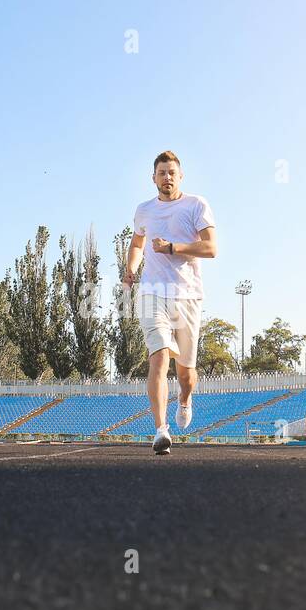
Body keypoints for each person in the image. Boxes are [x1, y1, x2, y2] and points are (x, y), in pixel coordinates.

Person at [122, 150, 217, 454]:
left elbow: (211, 248)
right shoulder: (144, 211)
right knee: (159, 357)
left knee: (186, 373)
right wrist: (131, 268)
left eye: (171, 173)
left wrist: (173, 247)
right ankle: (160, 430)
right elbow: (137, 243)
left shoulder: (196, 205)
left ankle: (185, 399)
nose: (167, 178)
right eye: (161, 173)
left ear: (180, 176)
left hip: (188, 295)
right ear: (153, 178)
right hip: (152, 293)